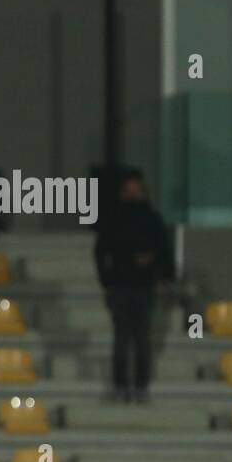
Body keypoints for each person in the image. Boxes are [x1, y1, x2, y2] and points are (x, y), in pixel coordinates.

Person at [93, 173, 174, 404]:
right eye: (129, 190)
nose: (133, 194)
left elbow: (164, 251)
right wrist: (106, 280)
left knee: (141, 339)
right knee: (121, 339)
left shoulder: (153, 219)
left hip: (145, 286)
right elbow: (100, 252)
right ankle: (120, 386)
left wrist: (158, 269)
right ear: (122, 193)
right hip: (119, 286)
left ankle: (140, 386)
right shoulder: (112, 220)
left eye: (136, 190)